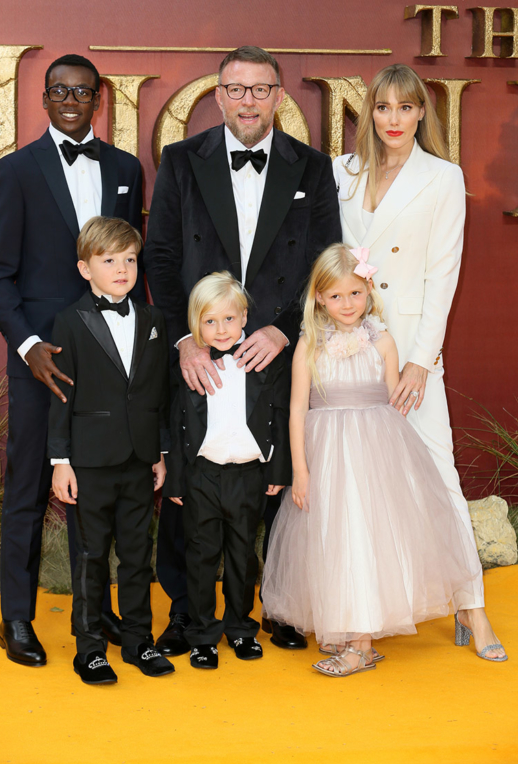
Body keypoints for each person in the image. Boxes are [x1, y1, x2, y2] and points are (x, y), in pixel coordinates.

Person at [145, 45, 341, 654]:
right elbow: (162, 257)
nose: (248, 100)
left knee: (277, 483)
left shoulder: (312, 166)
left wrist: (284, 330)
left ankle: (278, 605)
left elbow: (321, 258)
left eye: (261, 89)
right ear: (218, 95)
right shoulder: (181, 161)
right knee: (188, 489)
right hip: (201, 352)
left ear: (280, 96)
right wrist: (184, 340)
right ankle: (184, 610)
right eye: (237, 88)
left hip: (274, 352)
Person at [332, 63, 507, 662]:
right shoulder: (343, 173)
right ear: (368, 113)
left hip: (410, 347)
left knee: (438, 473)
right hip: (349, 343)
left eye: (407, 108)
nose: (394, 120)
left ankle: (472, 607)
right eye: (383, 108)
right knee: (359, 480)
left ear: (422, 114)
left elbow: (443, 275)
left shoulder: (443, 177)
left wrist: (421, 363)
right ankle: (364, 612)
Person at [0, 54, 144, 667]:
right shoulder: (18, 170)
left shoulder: (126, 169)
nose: (71, 98)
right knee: (27, 486)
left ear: (98, 98)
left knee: (95, 488)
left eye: (82, 90)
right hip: (40, 359)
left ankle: (91, 613)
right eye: (59, 90)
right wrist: (28, 347)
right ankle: (16, 618)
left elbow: (130, 267)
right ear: (44, 99)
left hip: (109, 358)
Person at [262, 244, 485, 677]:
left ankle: (361, 646)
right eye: (336, 295)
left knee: (367, 539)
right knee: (335, 541)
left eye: (355, 294)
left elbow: (392, 405)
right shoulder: (309, 344)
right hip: (326, 455)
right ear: (320, 298)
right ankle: (350, 631)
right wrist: (300, 472)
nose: (347, 304)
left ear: (369, 291)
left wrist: (398, 471)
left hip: (373, 453)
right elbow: (296, 411)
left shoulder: (382, 340)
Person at [48, 216, 173, 684]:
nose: (121, 269)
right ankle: (90, 649)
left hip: (140, 459)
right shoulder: (67, 321)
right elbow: (61, 396)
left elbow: (158, 392)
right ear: (85, 269)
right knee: (91, 556)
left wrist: (160, 451)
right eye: (108, 260)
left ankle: (139, 642)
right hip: (90, 461)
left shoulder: (154, 319)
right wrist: (61, 462)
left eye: (129, 259)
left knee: (139, 555)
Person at [163, 271, 291, 669]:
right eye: (210, 321)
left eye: (229, 319)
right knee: (201, 557)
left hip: (249, 475)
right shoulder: (188, 367)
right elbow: (176, 423)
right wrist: (177, 479)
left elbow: (278, 416)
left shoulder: (262, 363)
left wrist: (275, 471)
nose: (221, 329)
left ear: (244, 317)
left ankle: (240, 628)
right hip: (202, 476)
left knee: (243, 557)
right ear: (195, 323)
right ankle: (202, 635)